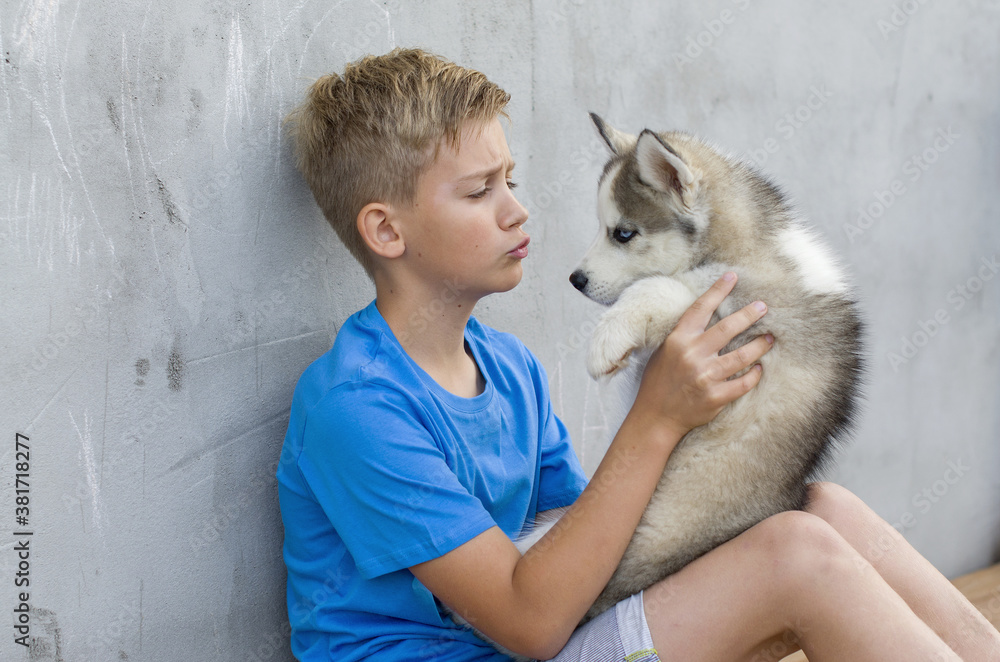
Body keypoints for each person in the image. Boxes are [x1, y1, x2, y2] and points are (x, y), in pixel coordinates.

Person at [276, 47, 1000, 662]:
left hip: (549, 633)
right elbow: (529, 622)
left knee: (822, 510)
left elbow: (591, 547)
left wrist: (717, 425)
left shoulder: (507, 367)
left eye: (513, 179)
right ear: (387, 231)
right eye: (480, 191)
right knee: (794, 556)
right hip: (517, 643)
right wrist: (658, 418)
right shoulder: (357, 409)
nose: (517, 209)